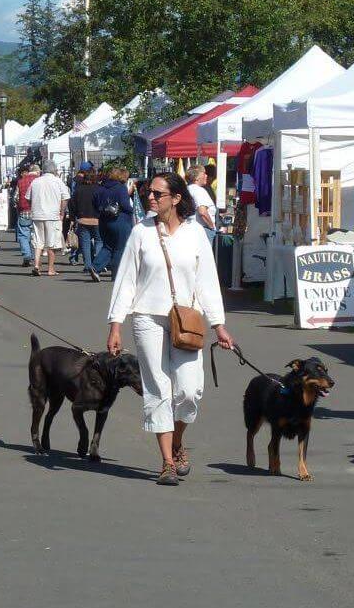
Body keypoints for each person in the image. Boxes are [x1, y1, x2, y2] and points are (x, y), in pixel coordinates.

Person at [106, 172, 235, 486]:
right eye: (148, 192)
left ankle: (177, 441)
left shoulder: (195, 236)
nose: (150, 197)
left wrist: (219, 325)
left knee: (189, 390)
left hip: (187, 320)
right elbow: (126, 280)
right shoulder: (141, 232)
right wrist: (115, 325)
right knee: (158, 389)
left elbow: (207, 283)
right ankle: (166, 462)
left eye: (157, 194)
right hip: (147, 317)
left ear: (176, 198)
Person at [26, 160, 69, 277]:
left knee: (38, 241)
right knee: (52, 243)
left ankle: (36, 265)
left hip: (37, 214)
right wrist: (62, 212)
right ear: (54, 170)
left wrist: (34, 206)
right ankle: (50, 269)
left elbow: (28, 197)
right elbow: (65, 198)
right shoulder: (58, 181)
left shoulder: (35, 181)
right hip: (53, 215)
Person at [95, 167, 135, 277]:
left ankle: (96, 267)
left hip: (103, 220)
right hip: (119, 220)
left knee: (108, 245)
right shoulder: (120, 188)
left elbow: (95, 203)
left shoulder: (100, 188)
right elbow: (125, 205)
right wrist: (133, 211)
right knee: (120, 247)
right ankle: (117, 273)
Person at [71, 170, 109, 282]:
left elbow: (72, 204)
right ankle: (97, 264)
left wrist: (74, 217)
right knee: (99, 241)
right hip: (97, 220)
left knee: (85, 244)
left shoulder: (78, 190)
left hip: (83, 219)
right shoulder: (99, 189)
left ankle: (87, 265)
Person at [15, 163, 40, 267]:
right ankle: (36, 257)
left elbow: (16, 197)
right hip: (38, 212)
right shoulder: (39, 181)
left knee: (24, 235)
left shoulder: (20, 181)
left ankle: (27, 256)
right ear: (38, 172)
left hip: (24, 211)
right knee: (37, 236)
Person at [185, 166, 217, 247]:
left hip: (190, 228)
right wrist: (212, 227)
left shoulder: (187, 189)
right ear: (197, 178)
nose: (206, 176)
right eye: (204, 173)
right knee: (204, 257)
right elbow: (202, 211)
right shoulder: (199, 191)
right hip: (203, 229)